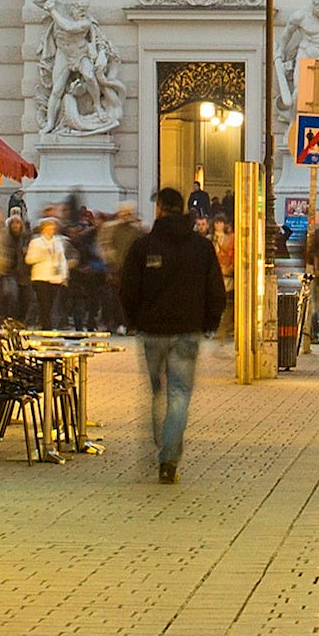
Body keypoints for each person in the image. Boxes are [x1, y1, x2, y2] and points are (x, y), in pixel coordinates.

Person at [112, 188, 226, 484]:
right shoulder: (201, 248)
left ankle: (162, 445)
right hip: (188, 331)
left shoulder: (143, 246)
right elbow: (216, 290)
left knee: (157, 391)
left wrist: (134, 321)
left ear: (160, 209)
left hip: (152, 332)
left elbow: (127, 290)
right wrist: (210, 323)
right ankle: (169, 457)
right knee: (179, 394)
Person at [23, 209, 70, 328]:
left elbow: (62, 259)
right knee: (44, 303)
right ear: (43, 229)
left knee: (53, 303)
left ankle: (50, 324)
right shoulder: (36, 242)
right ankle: (46, 325)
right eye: (49, 228)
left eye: (53, 229)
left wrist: (64, 275)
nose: (51, 231)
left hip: (55, 276)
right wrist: (42, 255)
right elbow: (29, 259)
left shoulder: (57, 242)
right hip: (41, 276)